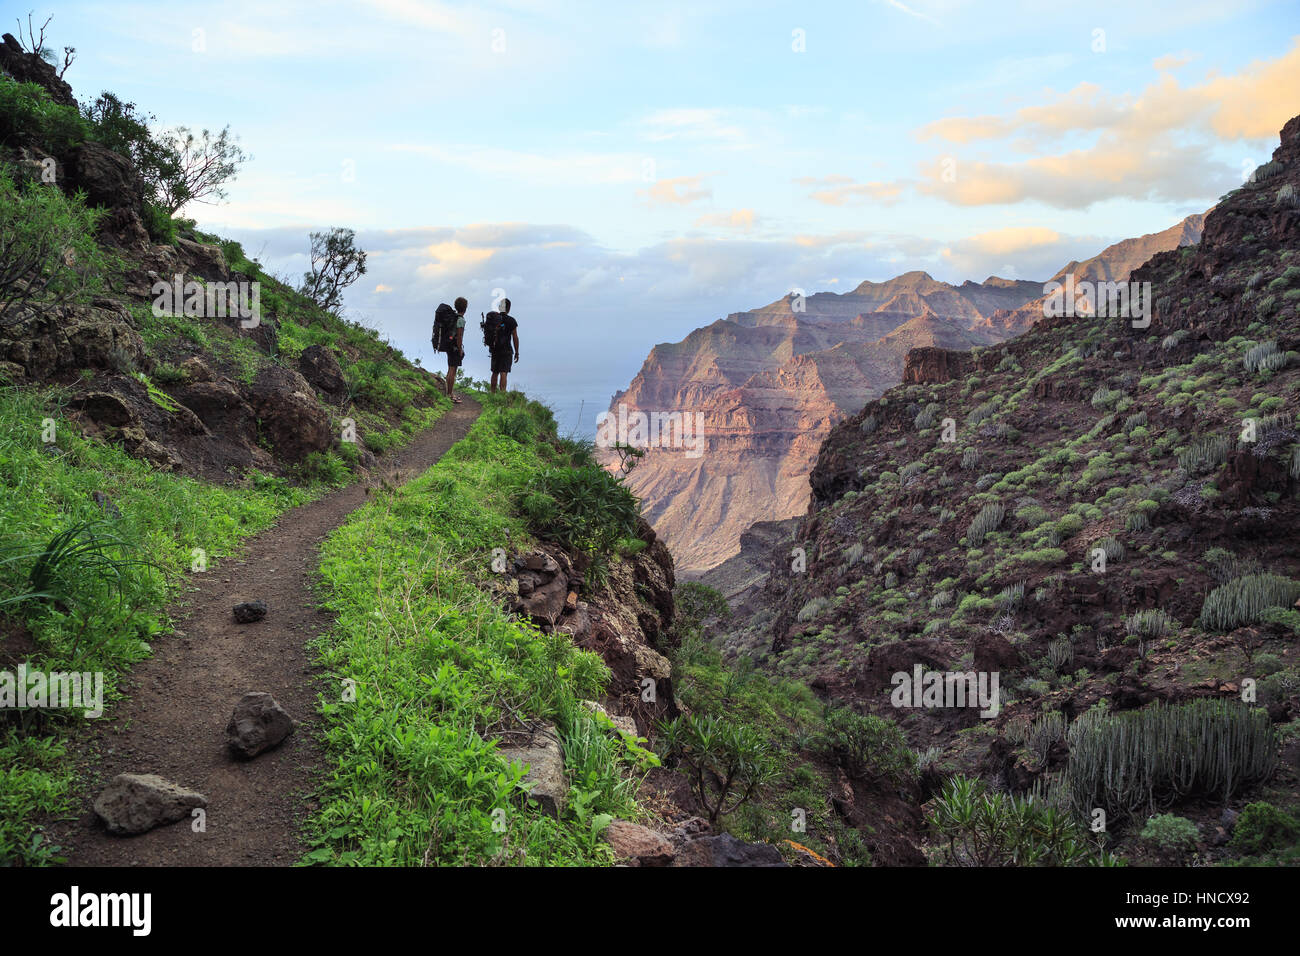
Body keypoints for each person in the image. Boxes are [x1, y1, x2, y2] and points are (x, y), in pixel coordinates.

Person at [439, 296, 468, 404]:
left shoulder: (453, 318)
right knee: (452, 370)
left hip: (449, 346)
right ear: (465, 308)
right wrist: (460, 349)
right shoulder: (460, 320)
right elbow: (459, 336)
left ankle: (449, 392)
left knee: (450, 369)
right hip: (455, 347)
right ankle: (450, 394)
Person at [489, 297, 519, 393]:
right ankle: (502, 395)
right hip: (506, 350)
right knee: (503, 373)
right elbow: (515, 337)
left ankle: (492, 394)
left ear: (499, 307)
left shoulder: (494, 319)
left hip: (495, 349)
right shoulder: (511, 321)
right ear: (509, 308)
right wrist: (517, 352)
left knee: (494, 372)